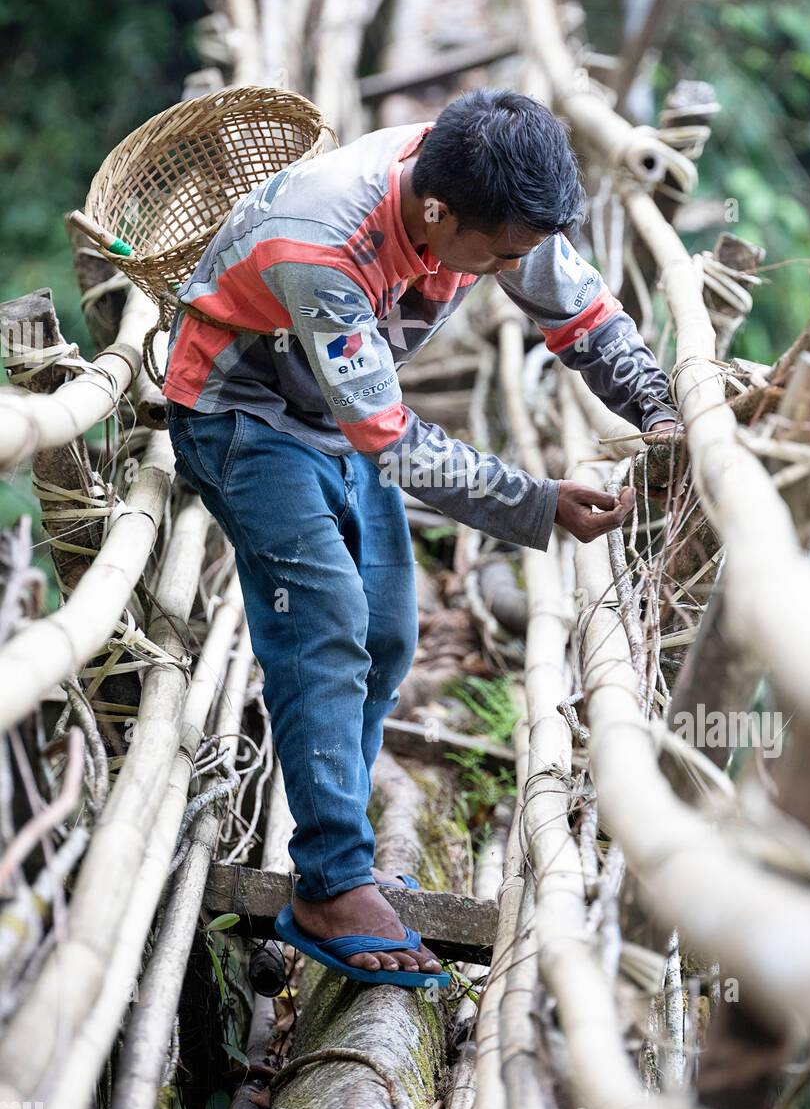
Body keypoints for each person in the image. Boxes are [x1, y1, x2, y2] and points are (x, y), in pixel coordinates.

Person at [162, 88, 678, 984]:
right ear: (438, 214)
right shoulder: (323, 243)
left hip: (335, 412)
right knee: (324, 621)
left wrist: (661, 407)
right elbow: (395, 441)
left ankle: (339, 847)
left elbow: (578, 311)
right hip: (243, 416)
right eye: (502, 256)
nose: (510, 270)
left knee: (389, 632)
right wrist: (535, 502)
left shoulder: (472, 185)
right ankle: (330, 880)